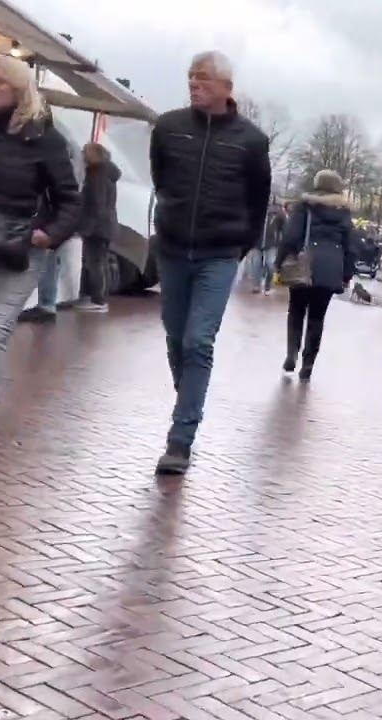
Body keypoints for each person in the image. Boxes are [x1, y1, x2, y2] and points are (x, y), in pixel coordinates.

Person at [149, 50, 270, 474]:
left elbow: (259, 198)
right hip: (173, 247)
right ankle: (191, 396)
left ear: (226, 88)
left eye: (203, 79)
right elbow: (160, 178)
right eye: (191, 78)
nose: (194, 85)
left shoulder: (251, 140)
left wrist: (242, 243)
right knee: (175, 337)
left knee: (199, 340)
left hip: (219, 253)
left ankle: (181, 439)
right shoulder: (168, 128)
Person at [0, 54, 81, 433]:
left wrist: (49, 234)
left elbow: (70, 198)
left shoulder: (44, 138)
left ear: (19, 90)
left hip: (18, 246)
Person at [274, 169, 353, 381]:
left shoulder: (305, 207)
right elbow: (350, 246)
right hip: (331, 267)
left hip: (304, 264)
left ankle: (291, 353)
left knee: (296, 311)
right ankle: (308, 364)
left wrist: (279, 262)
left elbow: (290, 237)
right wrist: (347, 274)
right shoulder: (344, 212)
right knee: (318, 317)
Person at [73, 142, 120, 313]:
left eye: (85, 152)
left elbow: (96, 204)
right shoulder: (108, 173)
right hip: (107, 224)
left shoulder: (97, 174)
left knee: (95, 262)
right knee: (100, 261)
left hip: (97, 226)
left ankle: (98, 300)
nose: (83, 155)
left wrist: (85, 227)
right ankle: (100, 297)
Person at [248, 202, 284, 294]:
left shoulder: (279, 214)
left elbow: (284, 228)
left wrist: (281, 242)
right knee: (256, 264)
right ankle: (256, 285)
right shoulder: (257, 212)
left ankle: (267, 284)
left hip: (271, 244)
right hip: (257, 243)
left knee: (270, 265)